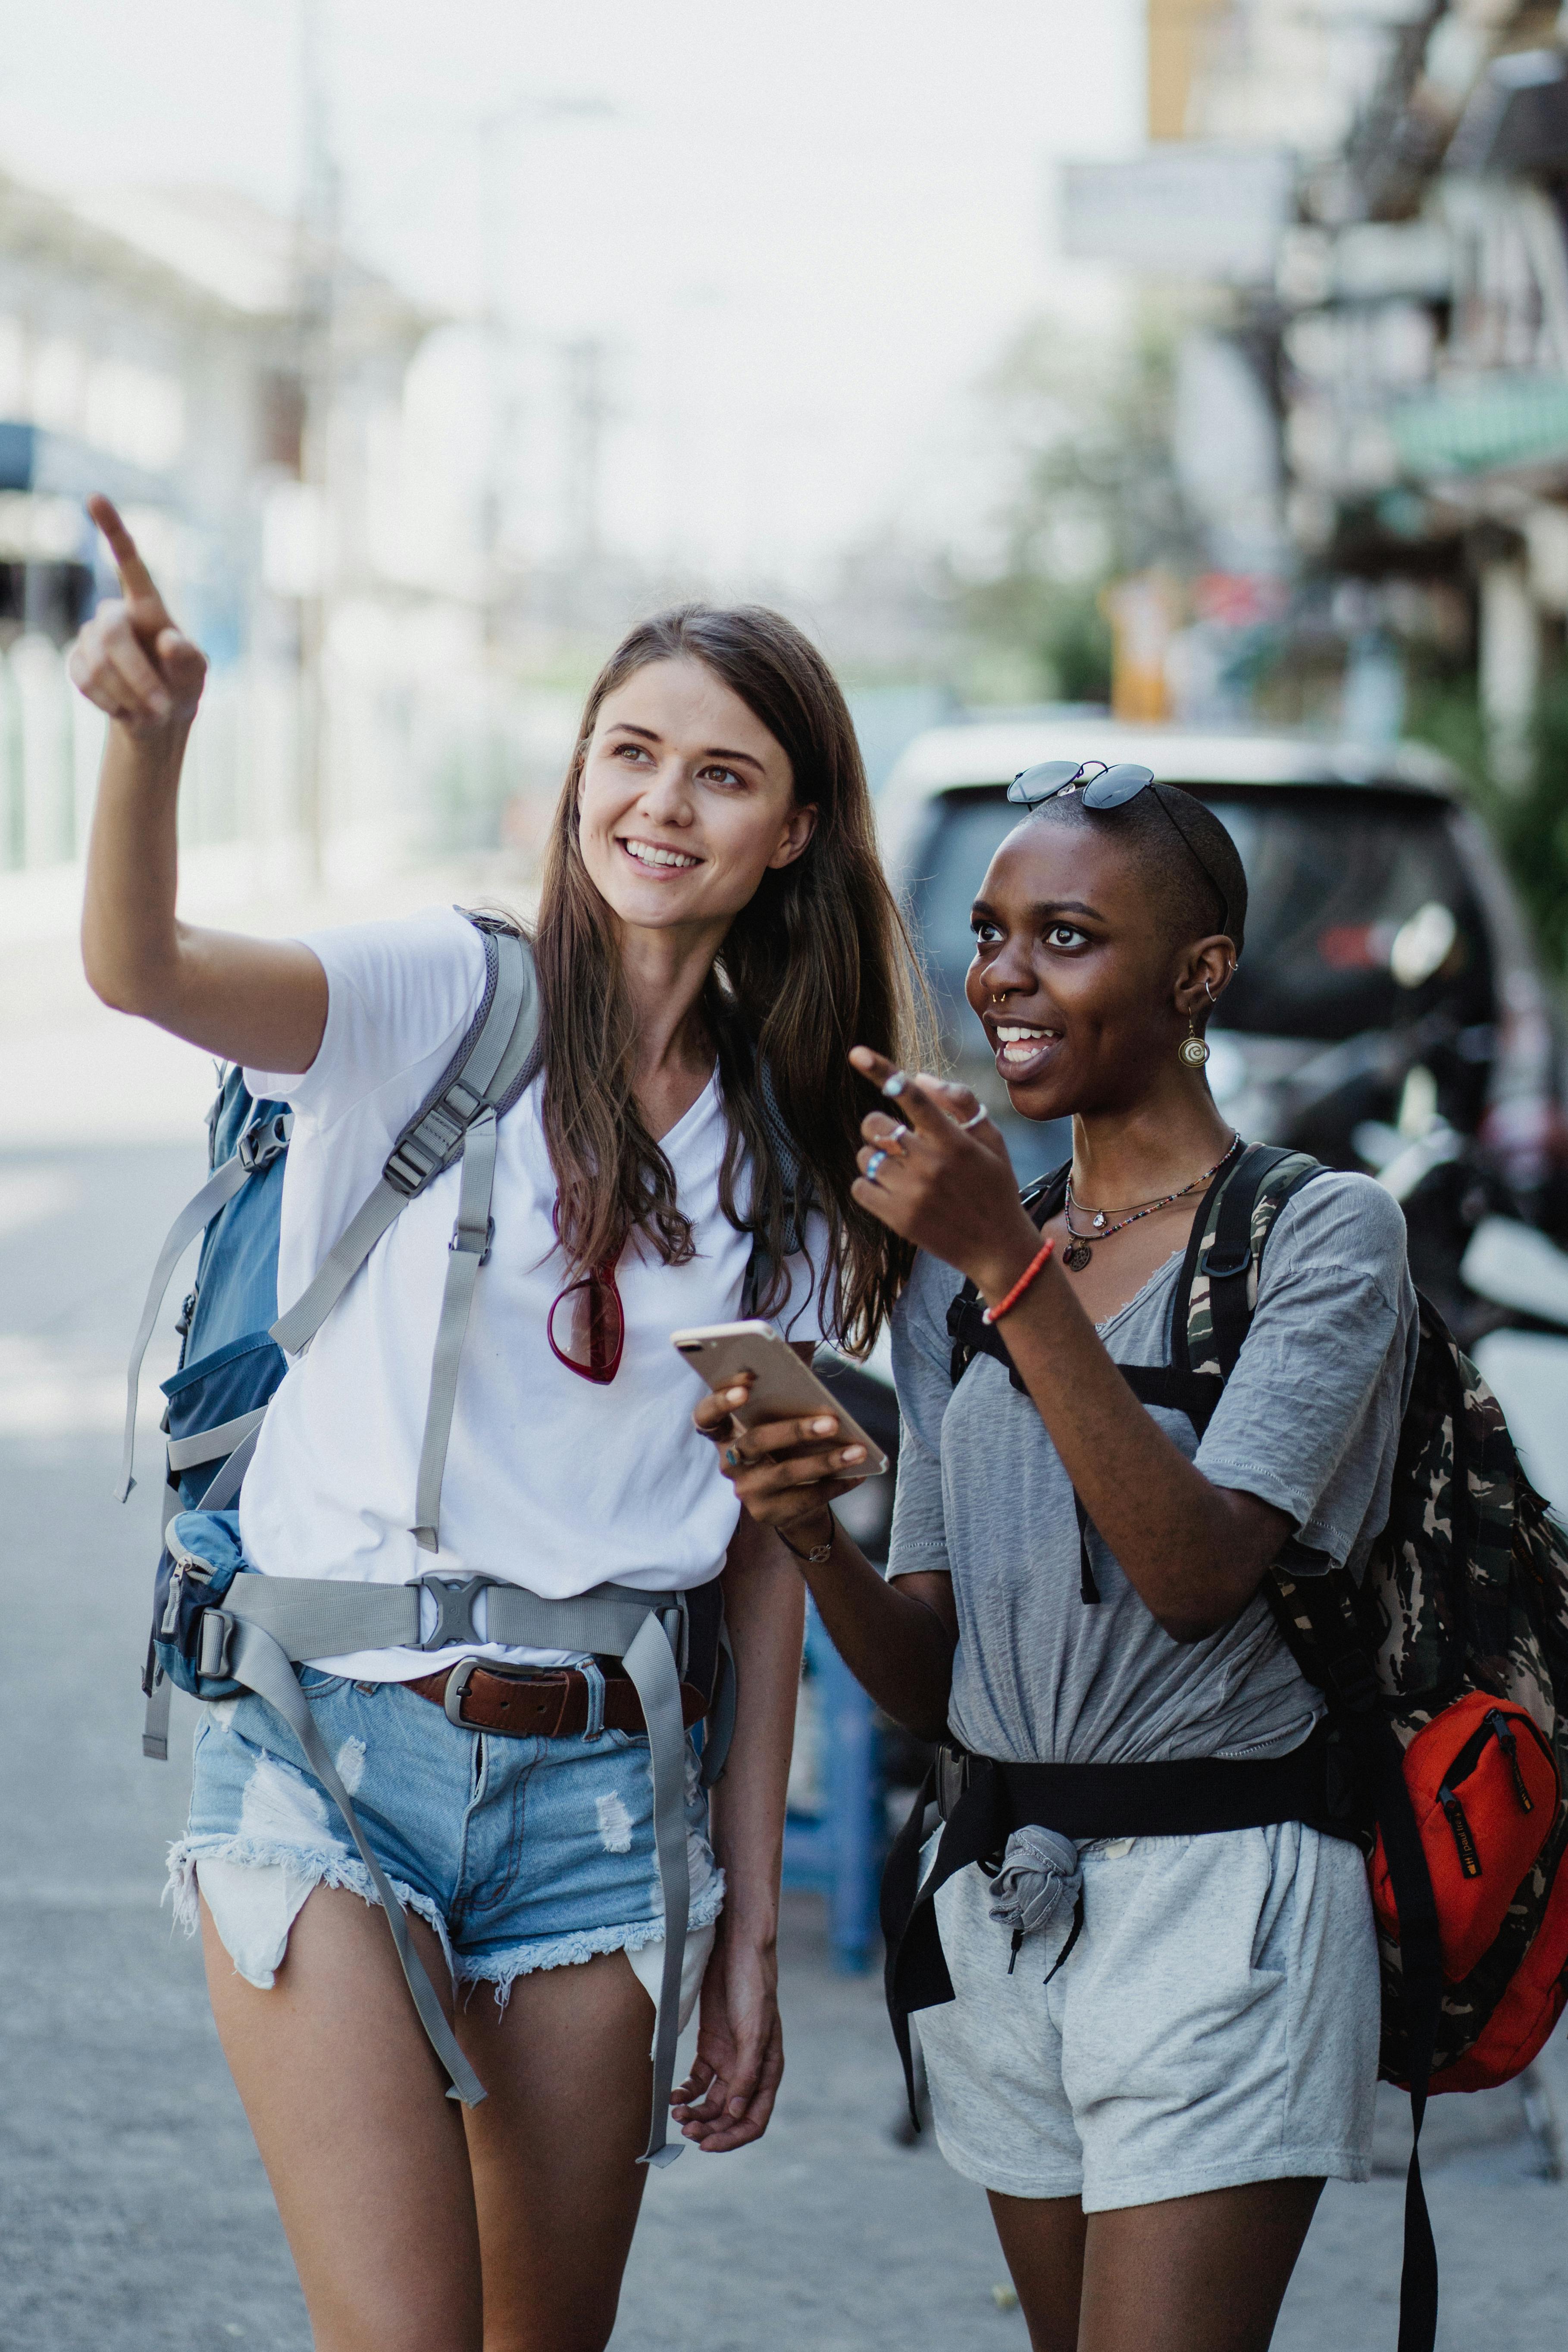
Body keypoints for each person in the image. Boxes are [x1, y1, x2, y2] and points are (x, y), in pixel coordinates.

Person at [71, 493, 918, 2352]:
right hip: (323, 1749)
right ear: (577, 773)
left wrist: (748, 1932)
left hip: (605, 1806)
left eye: (722, 774)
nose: (662, 804)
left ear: (791, 831)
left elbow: (765, 1560)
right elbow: (143, 968)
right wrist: (150, 747)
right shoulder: (441, 997)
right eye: (631, 752)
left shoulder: (790, 1161)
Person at [699, 766, 1418, 2352]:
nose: (1005, 978)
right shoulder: (959, 1279)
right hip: (1004, 1905)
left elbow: (1200, 1575)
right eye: (989, 934)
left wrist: (1006, 1261)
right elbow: (935, 1684)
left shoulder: (1319, 1235)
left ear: (1199, 976)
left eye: (1068, 938)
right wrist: (809, 1531)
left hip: (1226, 1902)